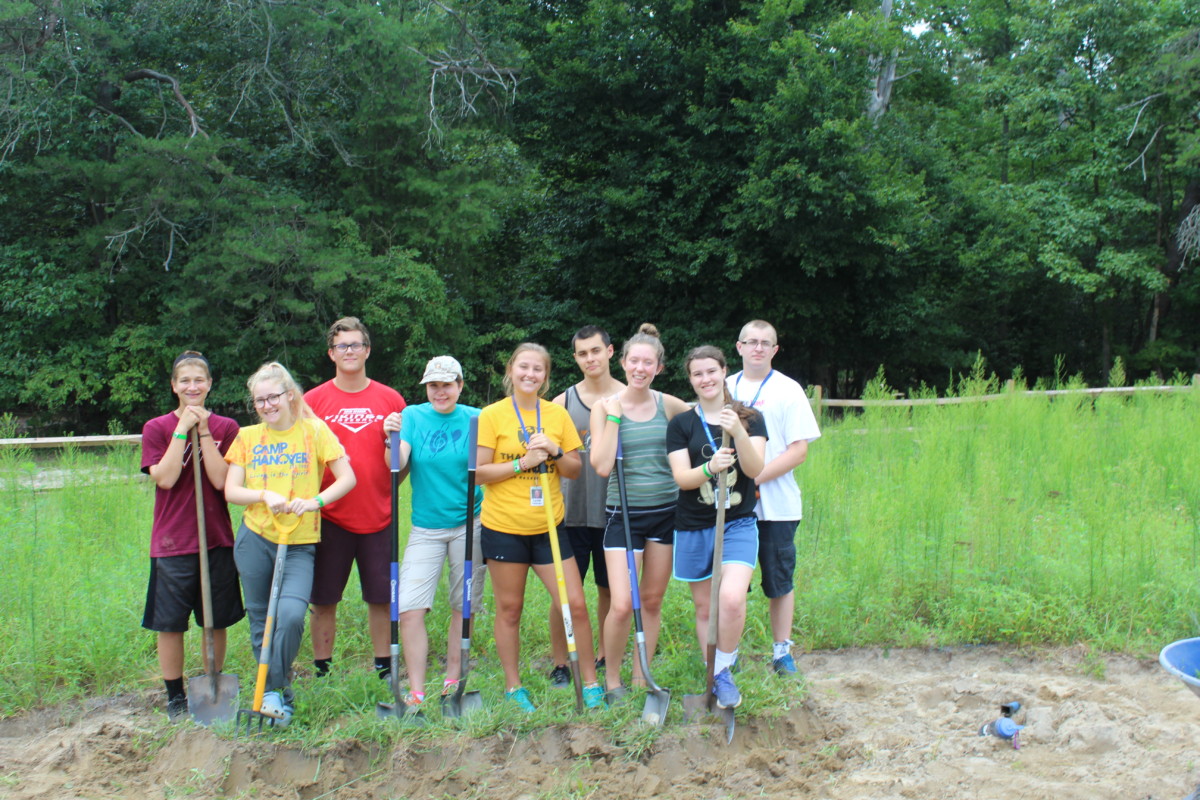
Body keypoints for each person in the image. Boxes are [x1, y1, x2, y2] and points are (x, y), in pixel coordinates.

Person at [224, 362, 356, 727]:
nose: (267, 406)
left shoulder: (315, 432)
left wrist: (316, 501)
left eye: (273, 397)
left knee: (292, 614)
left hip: (299, 541)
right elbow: (231, 490)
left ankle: (274, 686)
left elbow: (347, 477)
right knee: (260, 617)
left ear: (290, 396)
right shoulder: (247, 437)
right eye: (259, 400)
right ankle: (274, 692)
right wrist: (263, 495)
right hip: (255, 537)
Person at [476, 342, 605, 712]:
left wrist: (555, 450)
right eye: (524, 367)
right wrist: (522, 463)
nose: (530, 374)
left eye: (538, 369)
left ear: (546, 377)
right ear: (511, 370)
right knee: (509, 609)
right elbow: (479, 473)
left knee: (574, 604)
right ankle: (513, 687)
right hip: (504, 528)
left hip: (549, 528)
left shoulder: (556, 414)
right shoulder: (492, 415)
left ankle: (590, 683)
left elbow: (575, 470)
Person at [588, 324, 690, 701]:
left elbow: (702, 430)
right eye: (634, 361)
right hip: (623, 516)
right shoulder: (604, 408)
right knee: (620, 604)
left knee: (650, 601)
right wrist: (615, 418)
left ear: (658, 368)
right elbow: (601, 465)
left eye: (648, 363)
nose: (640, 368)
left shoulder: (671, 406)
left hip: (666, 514)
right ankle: (612, 680)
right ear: (623, 362)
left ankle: (640, 677)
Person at [141, 351, 244, 720]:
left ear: (209, 384)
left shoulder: (227, 428)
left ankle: (213, 683)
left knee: (214, 620)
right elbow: (166, 478)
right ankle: (175, 696)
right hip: (172, 542)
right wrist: (182, 428)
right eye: (184, 380)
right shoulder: (156, 428)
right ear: (174, 386)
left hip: (215, 539)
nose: (192, 386)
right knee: (169, 623)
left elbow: (220, 480)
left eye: (199, 380)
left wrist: (203, 431)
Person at [304, 317, 407, 679]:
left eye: (356, 345)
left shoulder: (391, 399)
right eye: (342, 346)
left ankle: (383, 668)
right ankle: (323, 670)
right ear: (331, 353)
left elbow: (402, 462)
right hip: (329, 516)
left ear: (368, 350)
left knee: (381, 597)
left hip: (379, 515)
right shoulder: (312, 402)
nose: (350, 351)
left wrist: (386, 489)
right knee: (323, 598)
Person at [380, 355, 486, 710]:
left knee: (462, 605)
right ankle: (416, 689)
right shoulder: (411, 416)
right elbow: (396, 465)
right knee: (409, 608)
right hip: (426, 527)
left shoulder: (477, 418)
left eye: (447, 384)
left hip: (469, 524)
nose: (440, 392)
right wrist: (391, 439)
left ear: (460, 385)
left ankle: (452, 681)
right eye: (433, 386)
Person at [667, 345, 767, 710]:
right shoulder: (681, 424)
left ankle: (723, 670)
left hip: (737, 523)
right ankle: (715, 672)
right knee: (705, 608)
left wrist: (737, 432)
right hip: (694, 524)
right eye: (697, 374)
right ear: (690, 380)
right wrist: (710, 468)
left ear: (724, 371)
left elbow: (755, 469)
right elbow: (682, 478)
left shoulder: (750, 417)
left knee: (731, 599)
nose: (705, 379)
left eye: (711, 371)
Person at [727, 320, 822, 675]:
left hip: (777, 507)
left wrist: (755, 478)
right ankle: (728, 654)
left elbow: (798, 451)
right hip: (731, 507)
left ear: (775, 350)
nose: (758, 348)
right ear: (739, 347)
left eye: (765, 343)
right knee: (731, 586)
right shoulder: (724, 387)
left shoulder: (788, 390)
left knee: (779, 581)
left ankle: (782, 652)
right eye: (751, 341)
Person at [548, 325, 624, 688]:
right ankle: (561, 663)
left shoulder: (629, 397)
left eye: (596, 350)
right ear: (575, 358)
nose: (590, 358)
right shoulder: (562, 402)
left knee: (609, 589)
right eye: (582, 353)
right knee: (564, 593)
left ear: (610, 351)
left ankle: (605, 654)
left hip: (613, 512)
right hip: (572, 513)